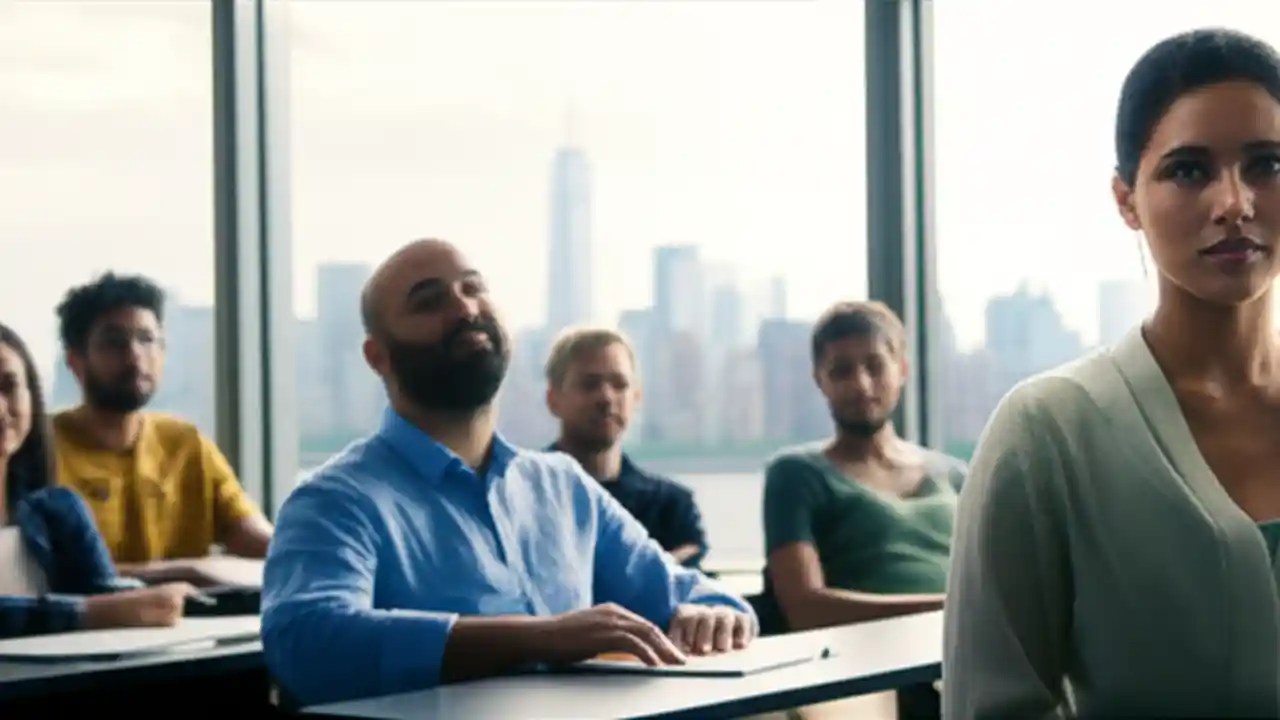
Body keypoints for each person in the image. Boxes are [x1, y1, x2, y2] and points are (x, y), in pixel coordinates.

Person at [261, 239, 756, 707]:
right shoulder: (333, 500)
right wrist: (543, 637)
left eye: (474, 288)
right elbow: (307, 641)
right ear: (378, 357)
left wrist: (711, 616)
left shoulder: (563, 486)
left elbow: (696, 596)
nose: (465, 308)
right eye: (430, 301)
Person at [945, 29, 1280, 718]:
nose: (1234, 204)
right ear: (1127, 200)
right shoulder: (1048, 431)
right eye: (1189, 170)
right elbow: (990, 704)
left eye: (1267, 165)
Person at [52, 272, 272, 585]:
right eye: (114, 342)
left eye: (146, 339)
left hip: (189, 630)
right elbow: (45, 574)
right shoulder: (41, 449)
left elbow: (263, 544)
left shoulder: (183, 442)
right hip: (77, 630)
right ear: (76, 361)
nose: (135, 355)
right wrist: (187, 572)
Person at [764, 301, 965, 633]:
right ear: (819, 380)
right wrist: (952, 612)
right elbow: (804, 607)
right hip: (867, 669)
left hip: (968, 660)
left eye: (875, 366)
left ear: (901, 370)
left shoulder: (956, 476)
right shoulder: (796, 475)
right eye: (841, 370)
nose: (861, 385)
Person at [0, 322, 197, 638]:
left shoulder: (59, 511)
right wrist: (87, 612)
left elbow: (109, 595)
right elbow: (104, 608)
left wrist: (168, 596)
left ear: (31, 398)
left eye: (8, 386)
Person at [544, 327, 708, 568]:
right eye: (590, 385)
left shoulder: (671, 508)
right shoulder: (520, 492)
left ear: (637, 397)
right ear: (553, 399)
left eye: (619, 384)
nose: (606, 397)